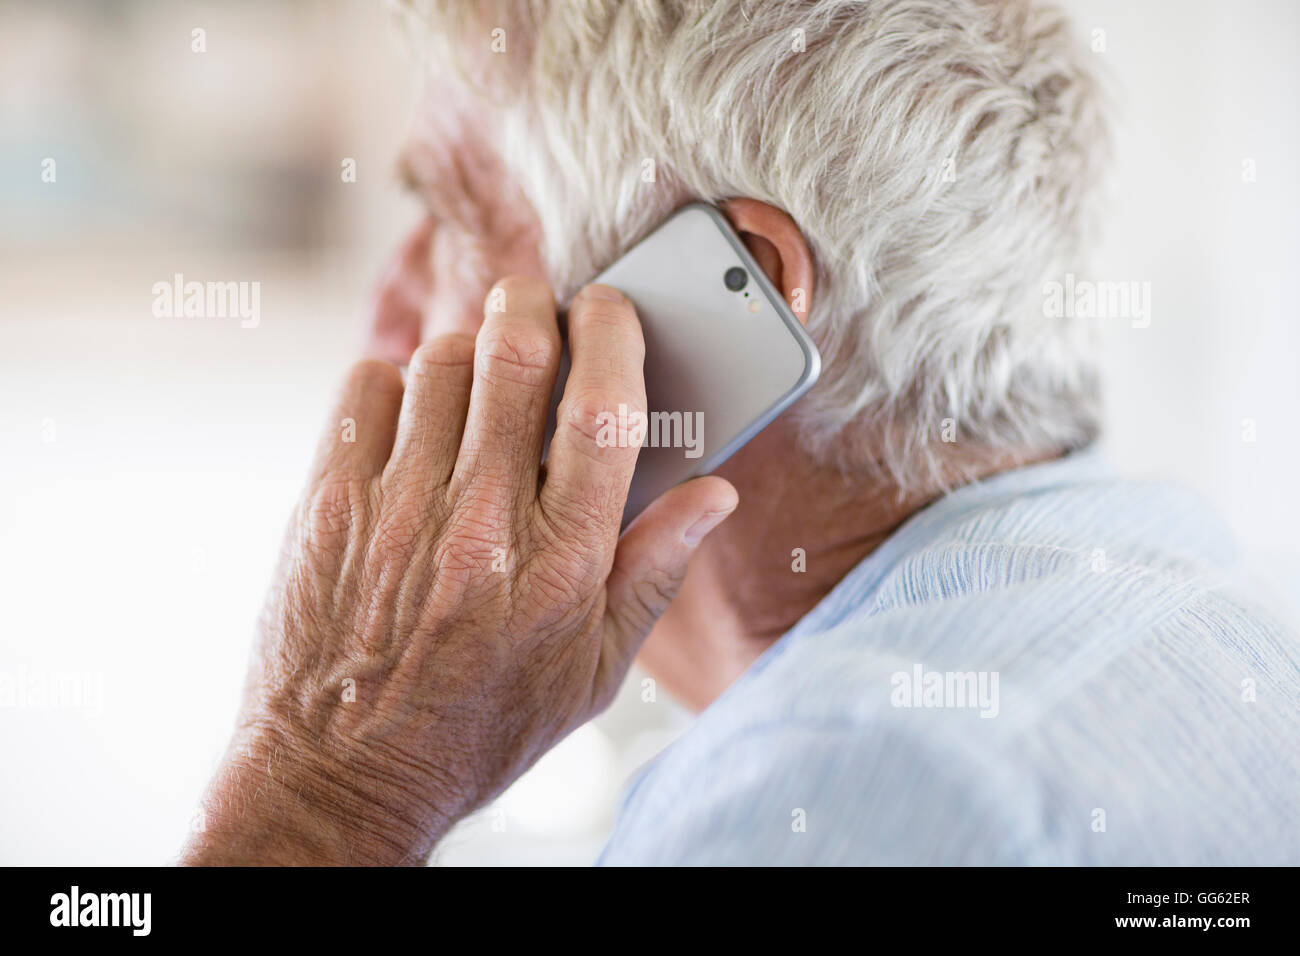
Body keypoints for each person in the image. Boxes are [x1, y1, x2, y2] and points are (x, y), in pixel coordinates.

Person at [181, 0, 1300, 865]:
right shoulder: (1206, 600)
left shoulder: (851, 780)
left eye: (446, 221)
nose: (385, 319)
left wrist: (325, 797)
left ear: (720, 308)